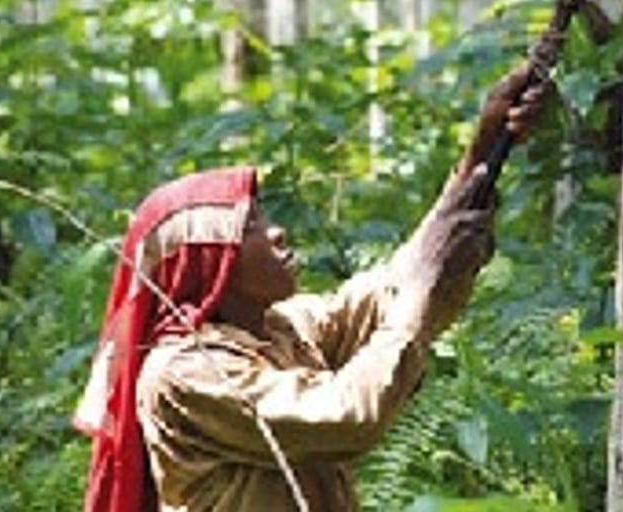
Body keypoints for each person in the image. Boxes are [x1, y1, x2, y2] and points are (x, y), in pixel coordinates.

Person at [73, 67, 549, 511]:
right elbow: (345, 416)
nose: (278, 233)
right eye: (252, 227)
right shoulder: (185, 373)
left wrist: (482, 152)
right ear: (209, 264)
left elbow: (393, 289)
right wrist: (427, 275)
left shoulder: (282, 328)